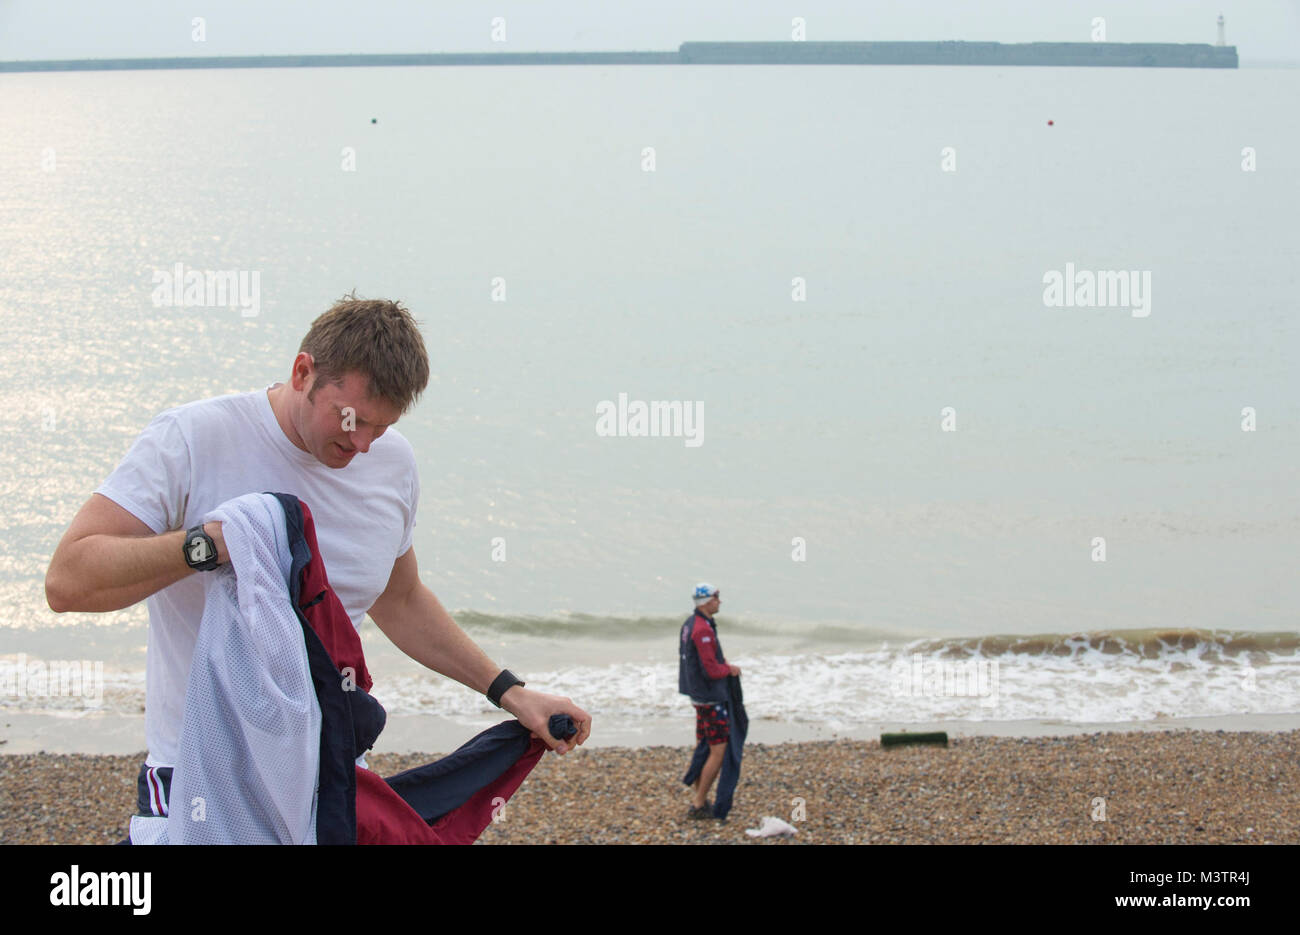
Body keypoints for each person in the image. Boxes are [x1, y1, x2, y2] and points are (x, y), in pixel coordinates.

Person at [44, 294, 592, 835]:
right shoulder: (193, 438)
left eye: (379, 428)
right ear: (303, 372)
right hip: (199, 776)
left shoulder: (392, 465)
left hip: (328, 773)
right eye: (350, 418)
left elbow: (400, 601)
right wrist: (209, 545)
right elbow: (68, 582)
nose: (360, 444)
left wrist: (512, 693)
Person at [678, 582, 740, 819]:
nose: (719, 601)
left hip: (698, 696)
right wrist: (730, 669)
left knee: (704, 746)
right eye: (716, 597)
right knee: (718, 750)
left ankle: (699, 799)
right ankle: (699, 802)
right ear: (705, 601)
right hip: (710, 698)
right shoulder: (702, 629)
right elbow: (711, 669)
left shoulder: (689, 624)